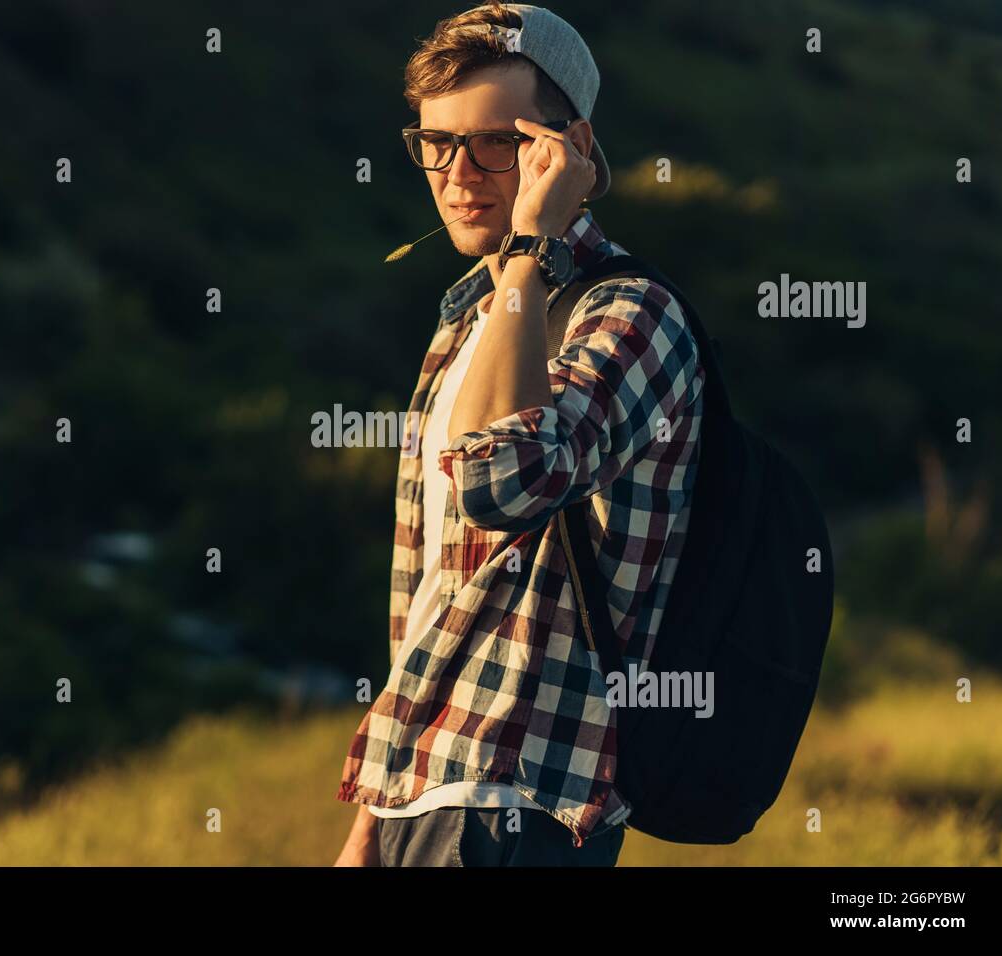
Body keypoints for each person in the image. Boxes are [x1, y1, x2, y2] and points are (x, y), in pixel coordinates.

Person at [334, 2, 705, 867]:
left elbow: (502, 482)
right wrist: (369, 824)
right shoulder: (467, 324)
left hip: (518, 801)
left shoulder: (632, 315)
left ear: (567, 146)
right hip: (422, 793)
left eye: (495, 142)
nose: (457, 172)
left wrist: (534, 243)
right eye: (436, 142)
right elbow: (434, 597)